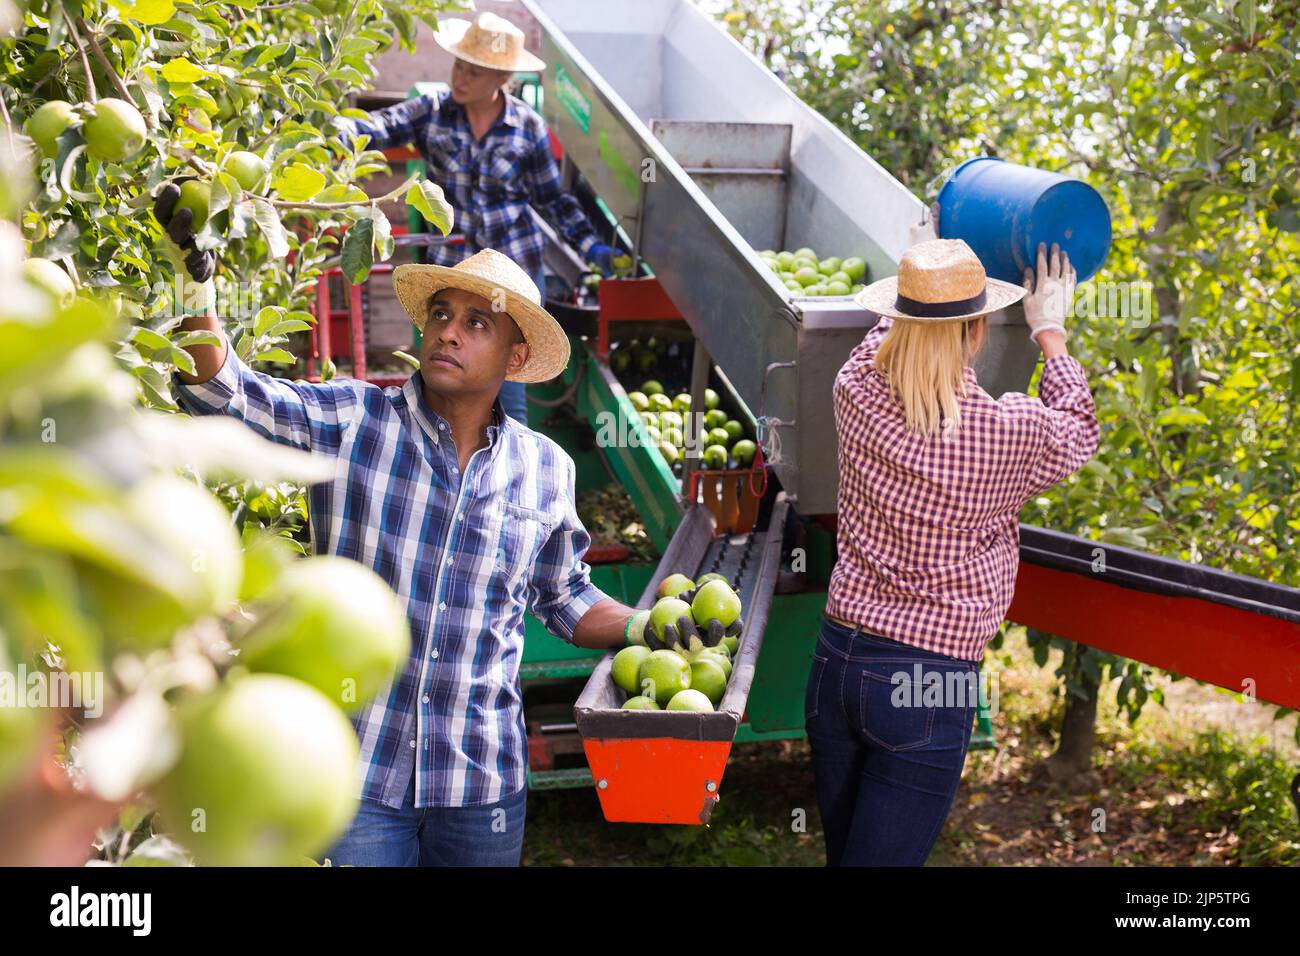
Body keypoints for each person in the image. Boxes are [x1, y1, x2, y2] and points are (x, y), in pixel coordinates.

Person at [154, 184, 649, 866]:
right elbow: (224, 391)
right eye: (442, 314)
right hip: (361, 778)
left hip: (482, 783)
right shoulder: (353, 423)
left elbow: (565, 597)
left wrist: (645, 626)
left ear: (513, 358)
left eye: (477, 323)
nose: (448, 330)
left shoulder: (546, 469)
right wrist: (195, 281)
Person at [808, 204, 1100, 866]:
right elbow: (1079, 425)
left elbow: (890, 333)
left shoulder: (854, 388)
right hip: (930, 679)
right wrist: (1049, 331)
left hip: (837, 663)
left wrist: (926, 260)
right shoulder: (1005, 434)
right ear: (977, 332)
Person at [338, 11, 618, 425]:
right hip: (457, 272)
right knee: (444, 381)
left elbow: (552, 200)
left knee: (507, 388)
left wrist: (591, 247)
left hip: (514, 274)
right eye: (458, 66)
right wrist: (331, 129)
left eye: (473, 71)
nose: (460, 78)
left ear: (500, 79)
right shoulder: (433, 112)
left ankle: (508, 480)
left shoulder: (527, 128)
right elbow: (379, 126)